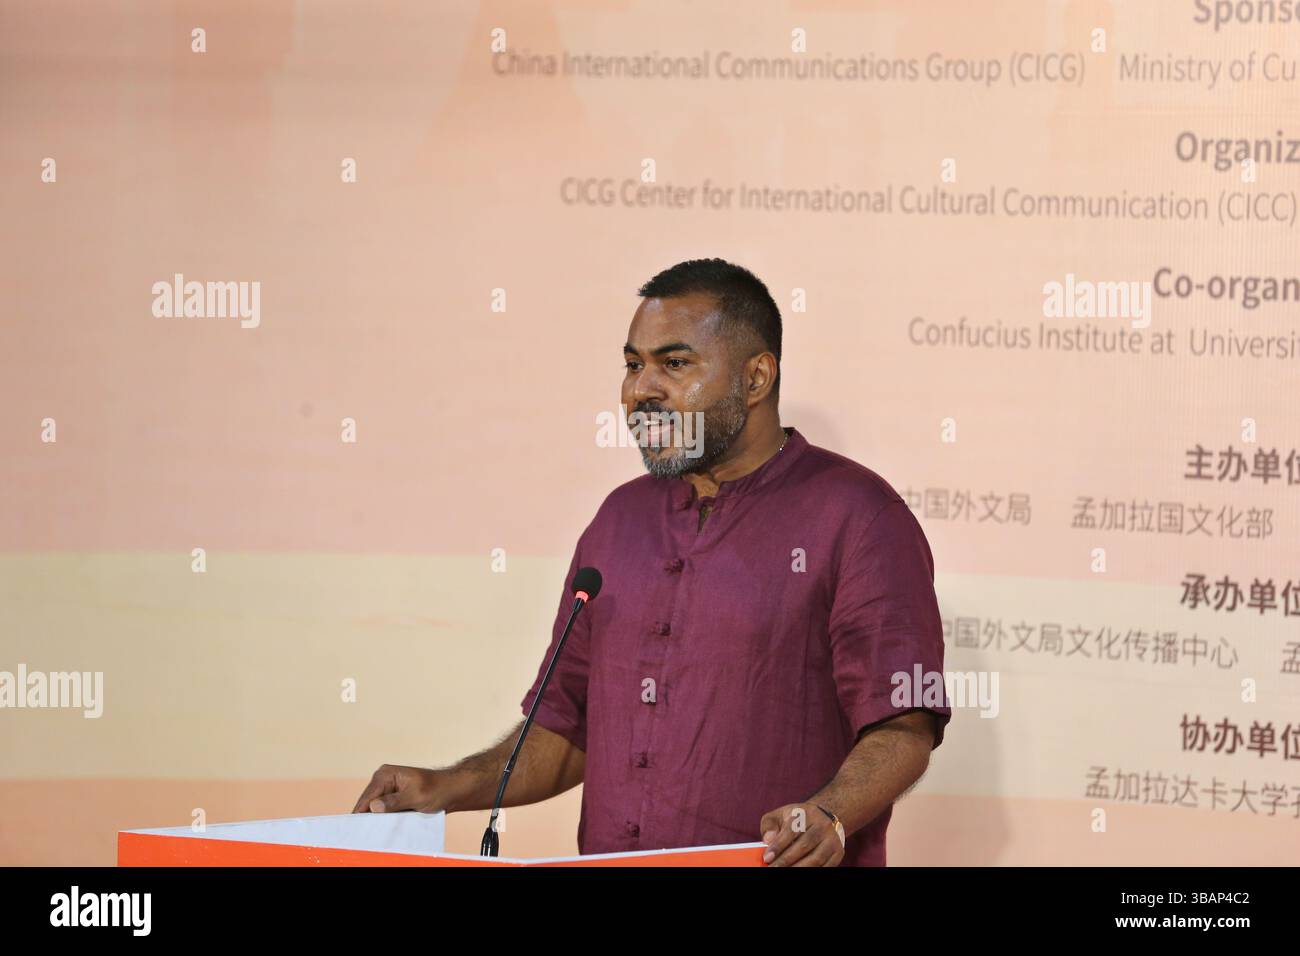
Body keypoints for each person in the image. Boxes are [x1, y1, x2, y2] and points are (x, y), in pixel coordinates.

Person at [354, 258, 950, 866]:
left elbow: (904, 723)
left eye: (675, 363)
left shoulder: (859, 516)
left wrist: (830, 812)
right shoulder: (618, 522)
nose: (642, 390)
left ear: (756, 378)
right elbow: (566, 729)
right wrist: (445, 788)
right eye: (633, 365)